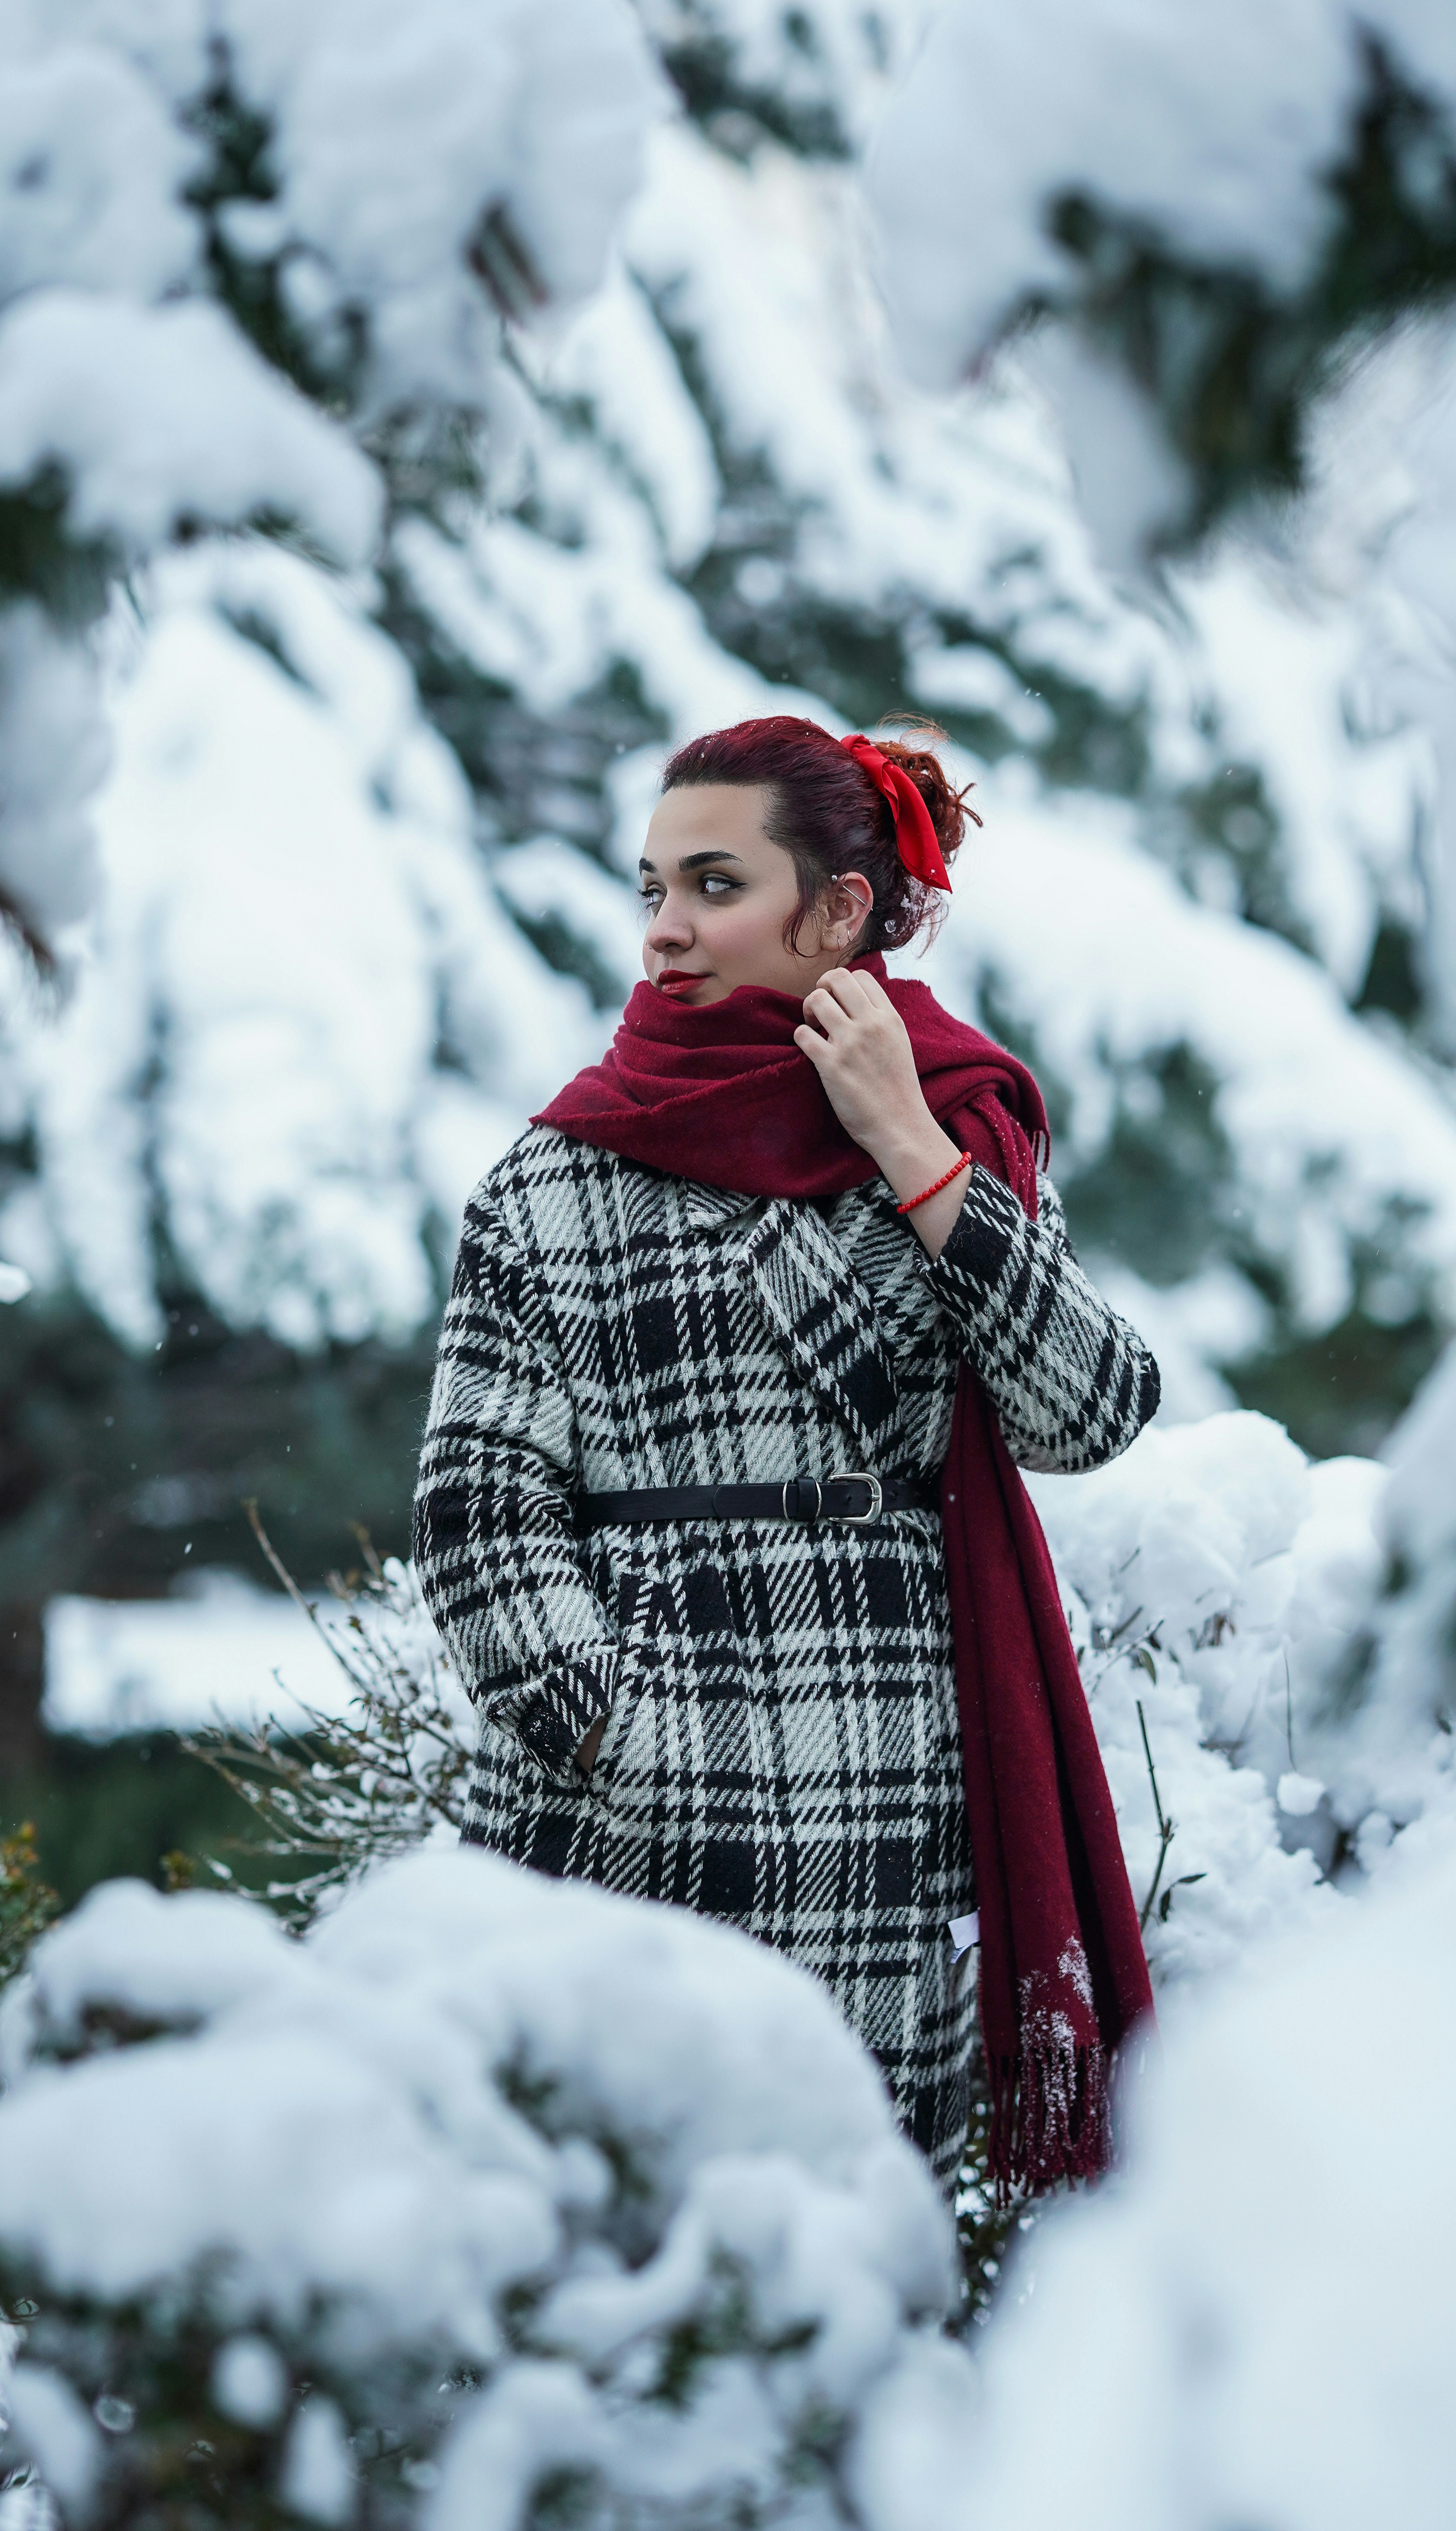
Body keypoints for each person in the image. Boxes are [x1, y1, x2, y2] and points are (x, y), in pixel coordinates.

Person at [413, 715, 1159, 2194]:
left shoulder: (960, 1126)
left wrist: (909, 1153)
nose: (667, 931)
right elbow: (480, 1506)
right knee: (605, 2235)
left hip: (874, 1783)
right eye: (651, 890)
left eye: (713, 885)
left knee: (852, 2228)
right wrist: (607, 1726)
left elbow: (1089, 1412)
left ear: (838, 912)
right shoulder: (559, 1171)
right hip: (615, 1804)